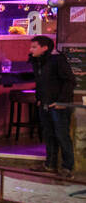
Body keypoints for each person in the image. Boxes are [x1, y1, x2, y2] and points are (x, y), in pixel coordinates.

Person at [29, 34, 76, 175]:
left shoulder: (57, 60)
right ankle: (50, 164)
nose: (31, 50)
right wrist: (39, 98)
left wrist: (62, 101)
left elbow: (70, 81)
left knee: (62, 135)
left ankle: (68, 167)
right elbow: (41, 82)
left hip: (58, 105)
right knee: (48, 134)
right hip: (45, 103)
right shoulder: (38, 61)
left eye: (34, 47)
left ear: (45, 48)